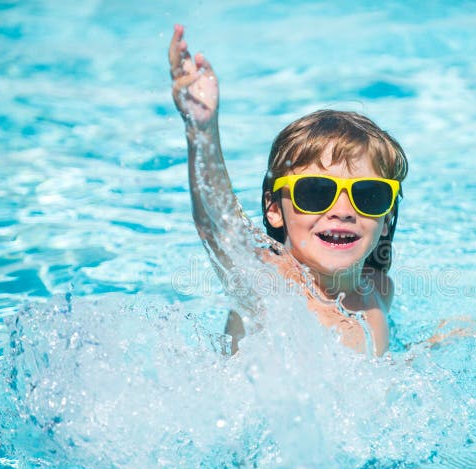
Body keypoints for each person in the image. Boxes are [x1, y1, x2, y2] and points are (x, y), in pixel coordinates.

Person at [168, 25, 406, 356]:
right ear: (274, 208)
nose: (343, 210)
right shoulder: (267, 285)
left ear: (387, 215)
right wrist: (202, 131)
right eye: (315, 192)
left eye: (368, 195)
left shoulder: (379, 292)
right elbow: (217, 225)